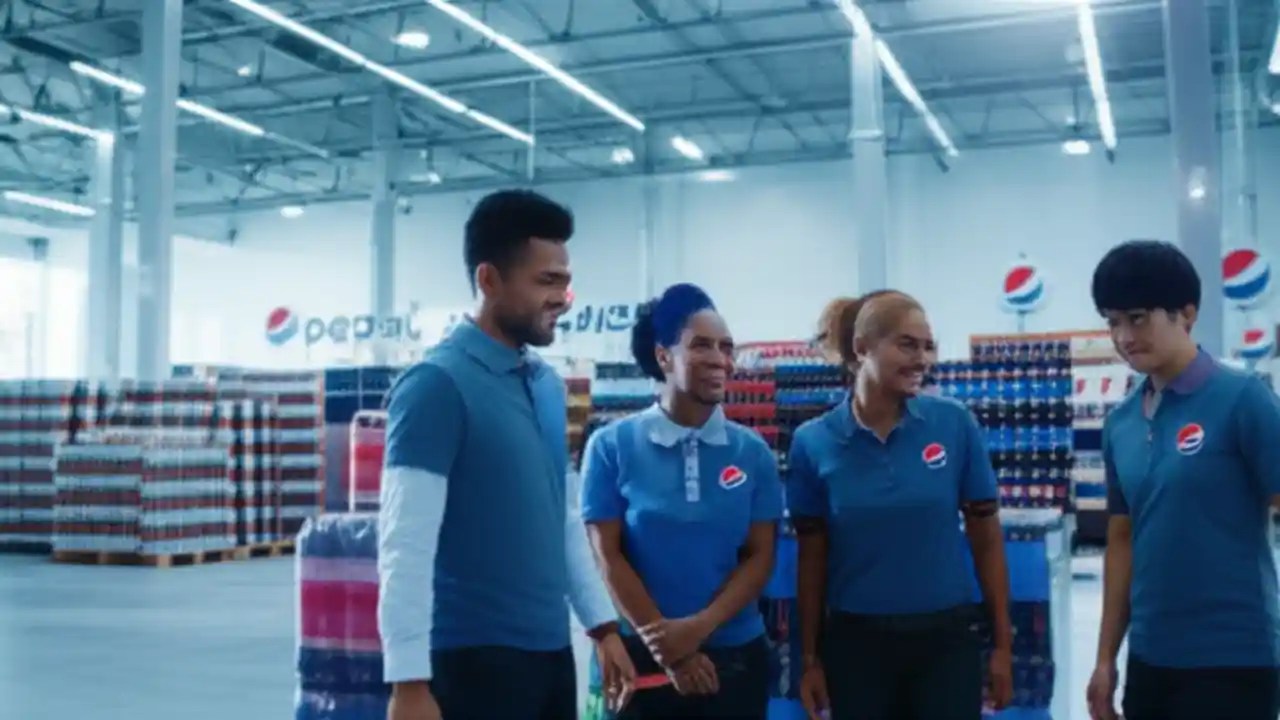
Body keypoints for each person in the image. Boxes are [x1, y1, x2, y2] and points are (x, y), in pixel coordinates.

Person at [377, 189, 635, 720]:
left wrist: (603, 626)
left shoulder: (545, 386)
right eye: (547, 281)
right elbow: (405, 543)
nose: (563, 297)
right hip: (471, 663)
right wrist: (407, 682)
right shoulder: (436, 386)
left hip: (550, 655)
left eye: (565, 282)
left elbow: (560, 517)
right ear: (488, 280)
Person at [789, 291, 1014, 720]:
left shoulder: (954, 424)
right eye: (907, 344)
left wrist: (1002, 648)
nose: (923, 359)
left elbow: (987, 541)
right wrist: (810, 659)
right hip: (857, 647)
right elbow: (812, 559)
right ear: (862, 348)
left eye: (928, 346)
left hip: (946, 642)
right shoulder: (813, 443)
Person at [1085, 240, 1280, 720]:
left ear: (1186, 314)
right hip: (1151, 659)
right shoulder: (1121, 423)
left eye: (1138, 317)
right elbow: (1123, 539)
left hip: (1235, 657)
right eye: (1113, 321)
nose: (1124, 336)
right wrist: (1106, 659)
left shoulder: (1243, 399)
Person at [581, 283, 784, 719]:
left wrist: (697, 629)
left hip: (735, 660)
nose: (719, 359)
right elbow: (607, 556)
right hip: (643, 659)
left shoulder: (753, 453)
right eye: (702, 346)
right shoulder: (611, 446)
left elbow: (760, 557)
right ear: (663, 357)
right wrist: (670, 649)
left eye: (726, 347)